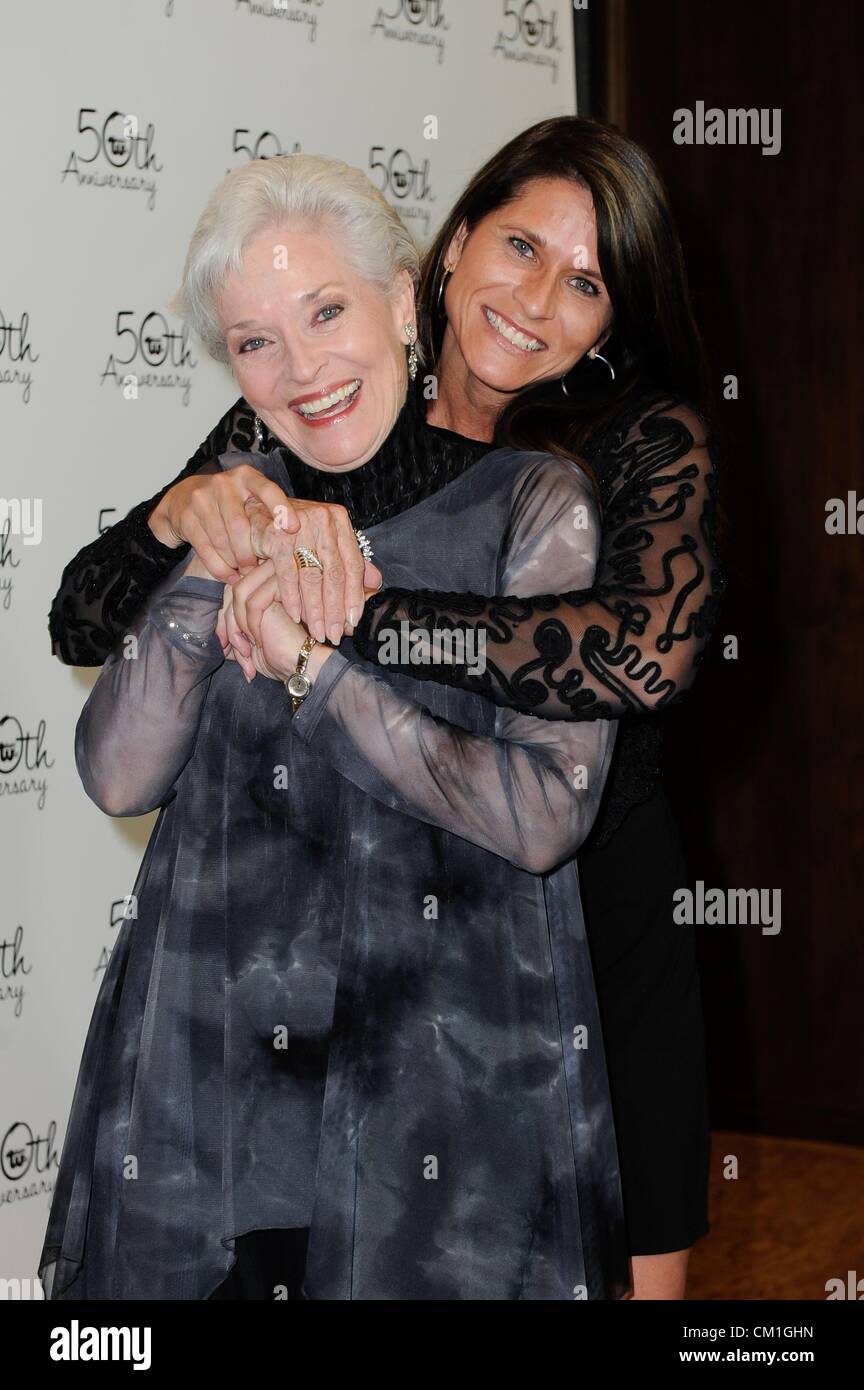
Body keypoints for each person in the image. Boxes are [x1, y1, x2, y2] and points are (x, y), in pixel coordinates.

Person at [47, 118, 724, 1299]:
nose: (535, 299)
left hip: (588, 893)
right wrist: (188, 518)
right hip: (358, 932)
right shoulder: (301, 414)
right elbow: (81, 617)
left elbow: (644, 655)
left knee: (618, 1239)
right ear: (449, 256)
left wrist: (351, 610)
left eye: (585, 282)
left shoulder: (620, 446)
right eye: (518, 247)